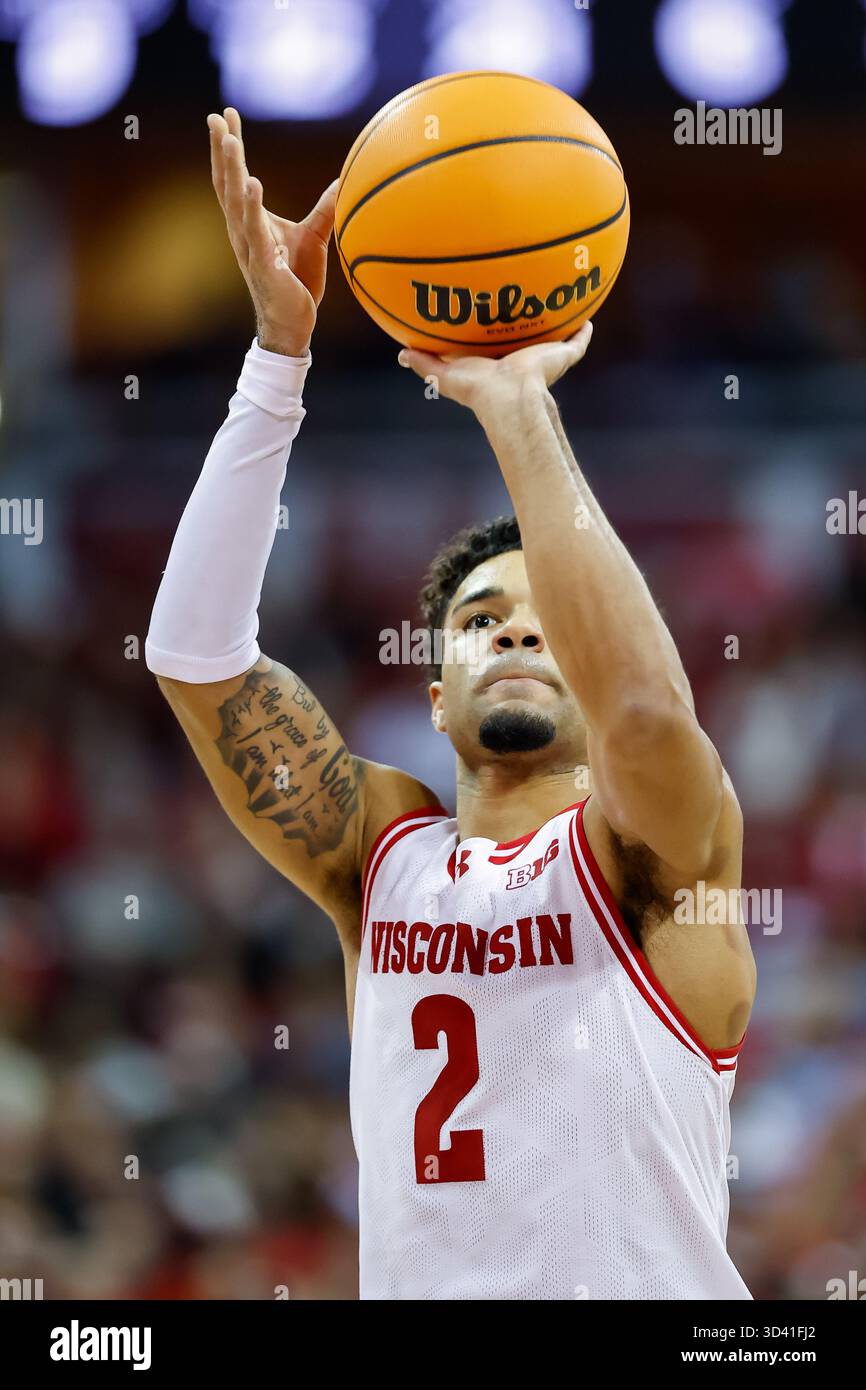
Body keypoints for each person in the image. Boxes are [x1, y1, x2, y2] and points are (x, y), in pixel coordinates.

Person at [146, 108, 757, 1300]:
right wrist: (277, 358)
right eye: (478, 620)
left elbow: (639, 708)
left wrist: (515, 403)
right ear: (434, 696)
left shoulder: (654, 851)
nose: (515, 629)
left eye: (541, 617)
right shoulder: (380, 854)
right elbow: (196, 660)